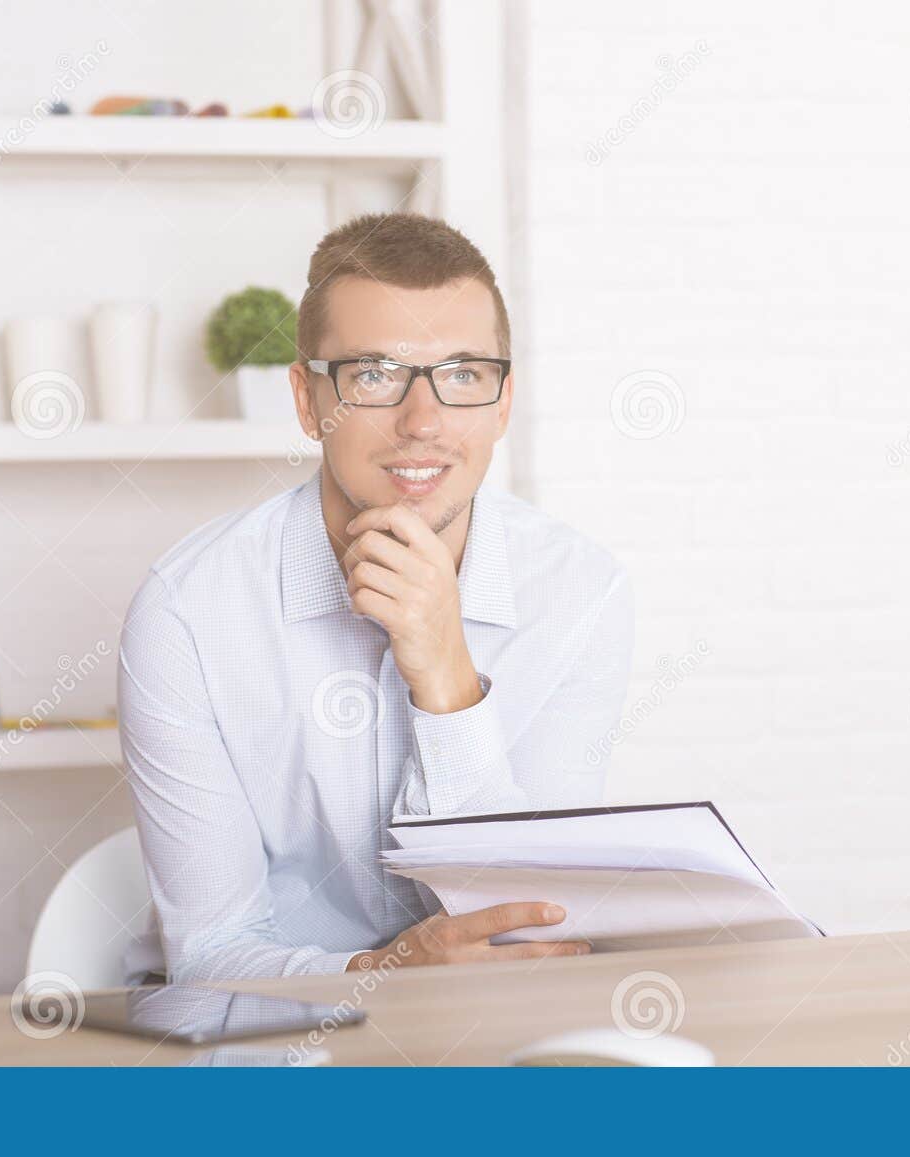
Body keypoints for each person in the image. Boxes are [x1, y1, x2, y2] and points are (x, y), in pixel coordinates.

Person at [119, 212, 634, 981]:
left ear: (503, 402)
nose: (422, 422)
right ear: (306, 399)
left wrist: (447, 675)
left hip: (496, 1044)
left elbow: (528, 929)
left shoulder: (580, 590)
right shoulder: (188, 611)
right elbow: (210, 957)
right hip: (270, 1050)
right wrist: (390, 970)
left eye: (462, 375)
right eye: (373, 376)